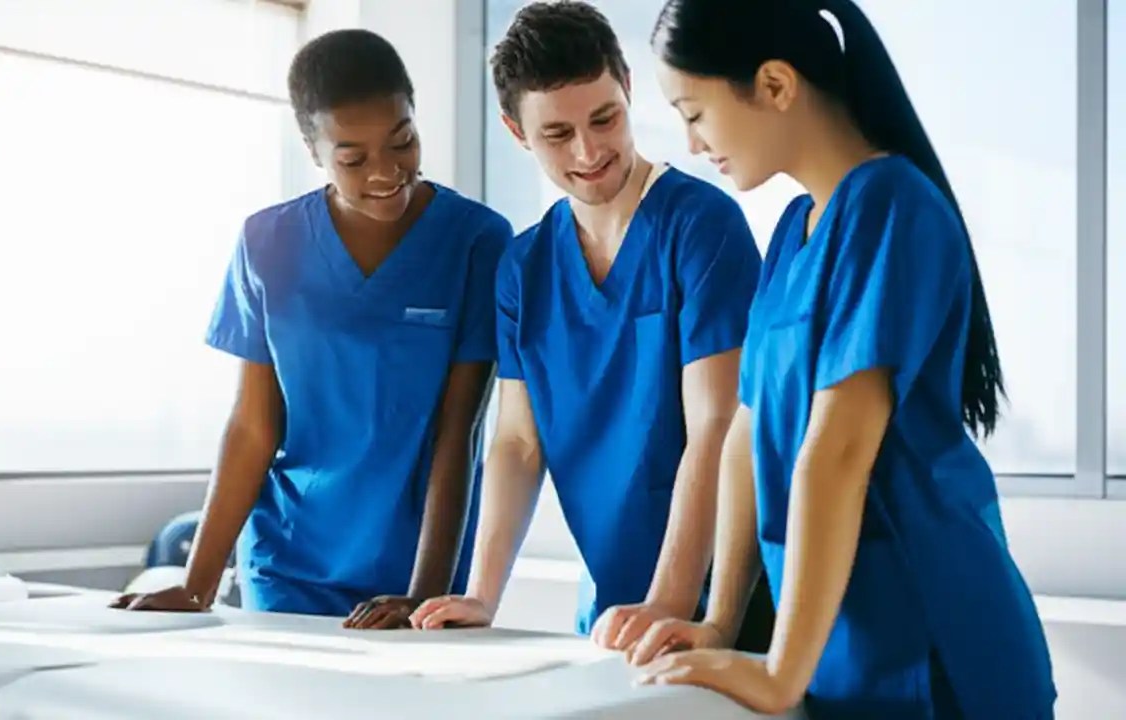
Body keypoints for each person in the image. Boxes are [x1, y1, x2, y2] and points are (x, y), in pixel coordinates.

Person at [628, 0, 1058, 717]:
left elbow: (837, 451)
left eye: (694, 113)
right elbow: (744, 438)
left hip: (936, 639)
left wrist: (779, 674)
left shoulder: (891, 205)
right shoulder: (792, 232)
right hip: (839, 656)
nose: (692, 144)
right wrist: (721, 623)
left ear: (774, 84)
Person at [111, 29, 513, 631]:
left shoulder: (477, 240)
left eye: (403, 141)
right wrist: (196, 587)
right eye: (353, 158)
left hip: (414, 568)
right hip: (287, 562)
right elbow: (253, 426)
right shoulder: (266, 242)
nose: (387, 172)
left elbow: (458, 433)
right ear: (313, 149)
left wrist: (424, 594)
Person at [408, 0, 776, 653]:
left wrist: (668, 602)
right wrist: (483, 595)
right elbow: (518, 443)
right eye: (557, 134)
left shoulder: (700, 227)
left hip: (725, 607)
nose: (589, 151)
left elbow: (717, 426)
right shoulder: (523, 268)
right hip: (614, 610)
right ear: (516, 131)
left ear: (628, 87)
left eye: (604, 118)